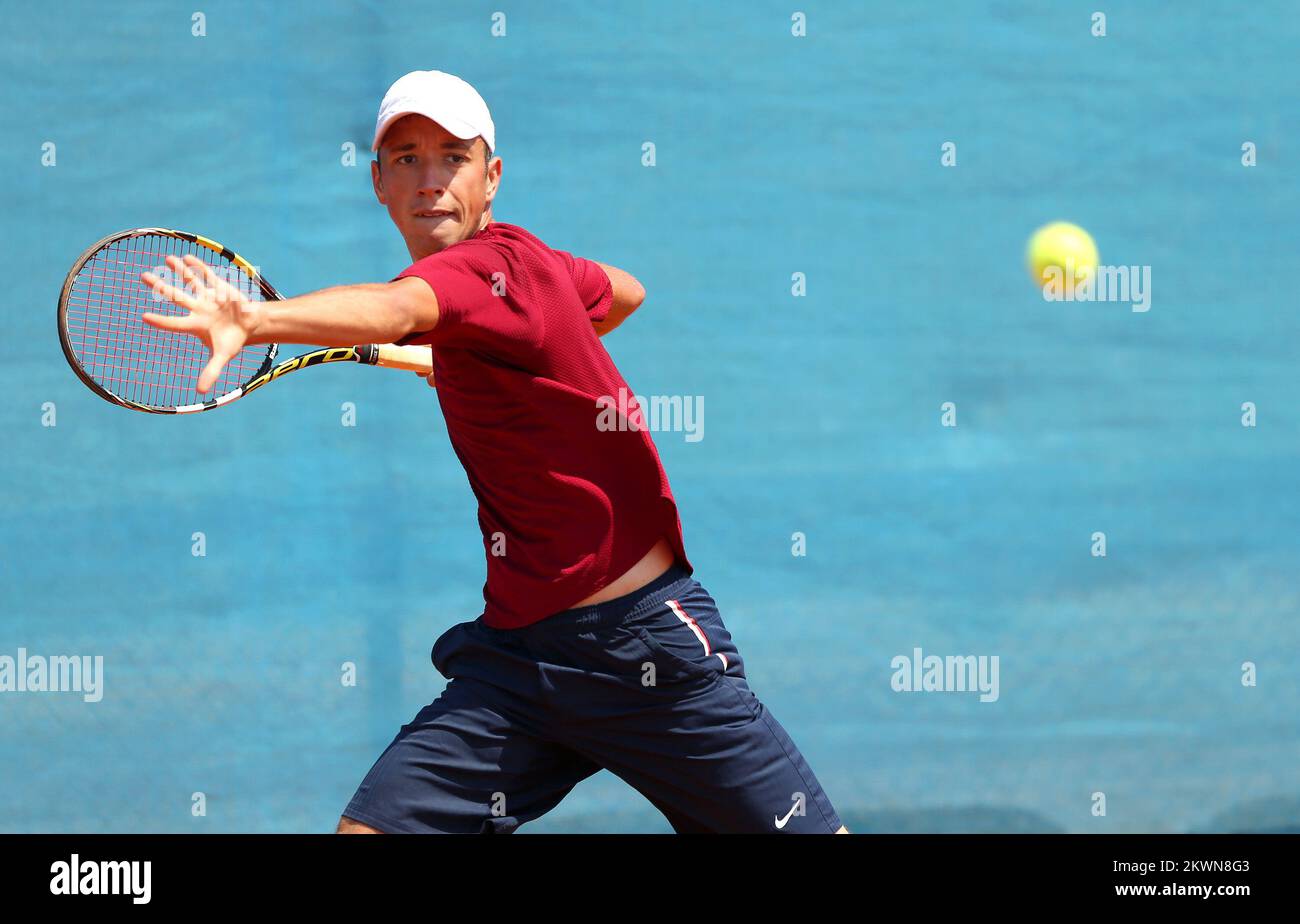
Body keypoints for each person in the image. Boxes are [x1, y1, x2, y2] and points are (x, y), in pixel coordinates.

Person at [141, 70, 848, 834]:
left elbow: (396, 307)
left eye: (454, 156)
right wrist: (495, 356)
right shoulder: (527, 271)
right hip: (520, 664)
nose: (431, 179)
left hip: (645, 651)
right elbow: (624, 291)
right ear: (378, 183)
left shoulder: (481, 272)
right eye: (406, 158)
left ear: (492, 178)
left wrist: (254, 318)